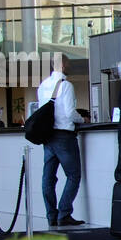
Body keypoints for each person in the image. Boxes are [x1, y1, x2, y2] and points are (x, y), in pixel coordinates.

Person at [37, 53, 84, 226]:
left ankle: (51, 215)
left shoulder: (43, 85)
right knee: (73, 175)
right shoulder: (66, 85)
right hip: (64, 135)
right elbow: (70, 113)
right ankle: (64, 213)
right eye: (69, 63)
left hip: (47, 136)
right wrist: (83, 119)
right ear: (63, 65)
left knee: (48, 177)